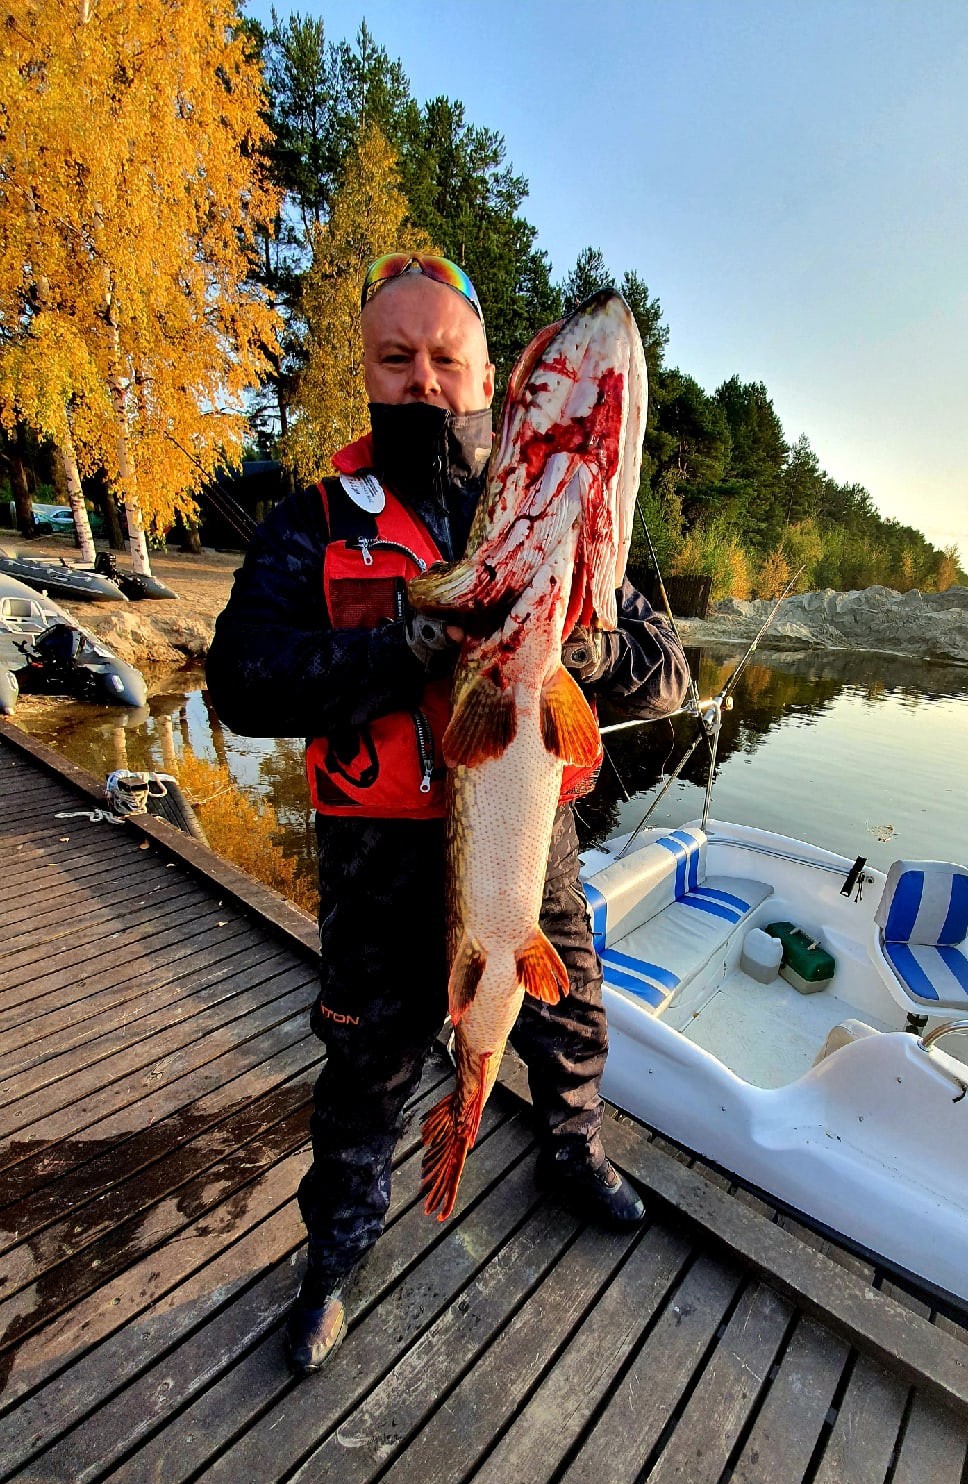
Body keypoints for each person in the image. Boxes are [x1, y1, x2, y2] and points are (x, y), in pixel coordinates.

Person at [206, 254, 689, 1373]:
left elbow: (662, 673)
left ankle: (570, 1152)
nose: (423, 377)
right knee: (366, 1077)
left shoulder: (540, 512)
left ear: (484, 376)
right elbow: (241, 679)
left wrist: (584, 645)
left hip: (530, 850)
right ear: (367, 369)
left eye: (446, 357)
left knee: (570, 1022)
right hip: (379, 869)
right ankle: (334, 1257)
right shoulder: (314, 521)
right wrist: (397, 647)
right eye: (396, 356)